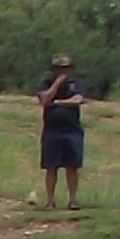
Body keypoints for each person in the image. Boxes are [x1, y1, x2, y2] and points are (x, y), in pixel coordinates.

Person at [34, 54, 90, 210]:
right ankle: (50, 201)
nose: (62, 71)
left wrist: (58, 102)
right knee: (51, 167)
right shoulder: (47, 82)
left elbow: (78, 100)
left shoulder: (76, 82)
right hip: (52, 131)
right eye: (59, 69)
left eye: (65, 68)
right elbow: (44, 100)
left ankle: (73, 200)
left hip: (72, 130)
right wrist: (57, 84)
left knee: (72, 166)